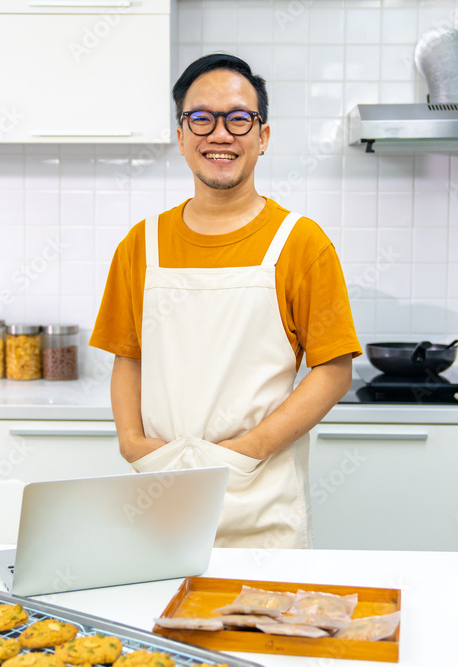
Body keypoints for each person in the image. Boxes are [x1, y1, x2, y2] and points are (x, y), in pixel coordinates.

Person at [89, 53, 361, 549]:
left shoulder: (300, 243)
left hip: (261, 501)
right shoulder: (141, 245)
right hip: (161, 492)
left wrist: (249, 449)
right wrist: (131, 443)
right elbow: (128, 357)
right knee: (157, 599)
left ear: (263, 136)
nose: (220, 134)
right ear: (181, 137)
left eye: (238, 119)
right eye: (201, 118)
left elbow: (334, 371)